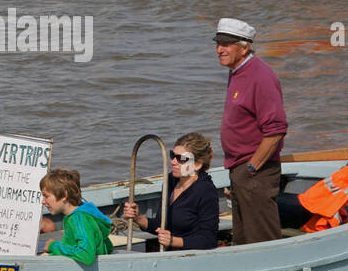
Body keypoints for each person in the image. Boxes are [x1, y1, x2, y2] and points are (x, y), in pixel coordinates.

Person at [215, 18, 288, 245]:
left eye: (226, 44)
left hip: (256, 172)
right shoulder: (237, 71)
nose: (219, 49)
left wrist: (251, 168)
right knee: (243, 238)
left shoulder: (261, 76)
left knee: (261, 239)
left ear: (244, 47)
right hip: (240, 170)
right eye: (218, 43)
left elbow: (276, 130)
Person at [122, 133, 219, 251]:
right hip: (170, 252)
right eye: (172, 155)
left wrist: (173, 241)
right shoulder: (170, 181)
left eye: (181, 159)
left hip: (192, 256)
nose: (173, 161)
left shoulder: (205, 191)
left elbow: (208, 240)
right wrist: (138, 218)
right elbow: (161, 225)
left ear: (197, 164)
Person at [39, 168, 113, 265]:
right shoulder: (80, 214)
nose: (43, 201)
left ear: (64, 195)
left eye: (46, 196)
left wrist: (54, 246)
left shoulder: (79, 218)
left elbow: (86, 254)